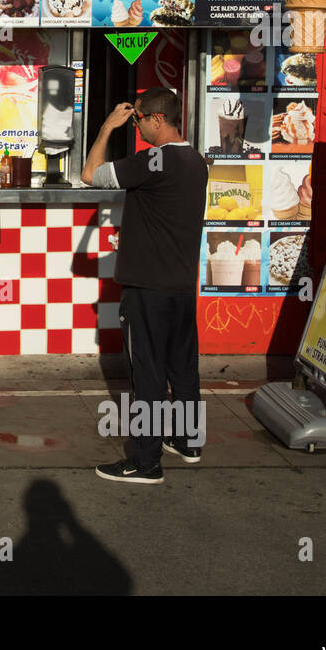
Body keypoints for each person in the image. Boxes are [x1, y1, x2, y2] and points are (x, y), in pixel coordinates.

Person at [82, 88, 208, 484]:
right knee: (183, 367)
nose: (135, 126)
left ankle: (145, 462)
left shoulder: (154, 160)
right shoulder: (195, 160)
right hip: (182, 286)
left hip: (148, 288)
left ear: (156, 119)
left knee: (148, 374)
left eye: (137, 119)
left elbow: (90, 174)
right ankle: (188, 440)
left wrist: (106, 128)